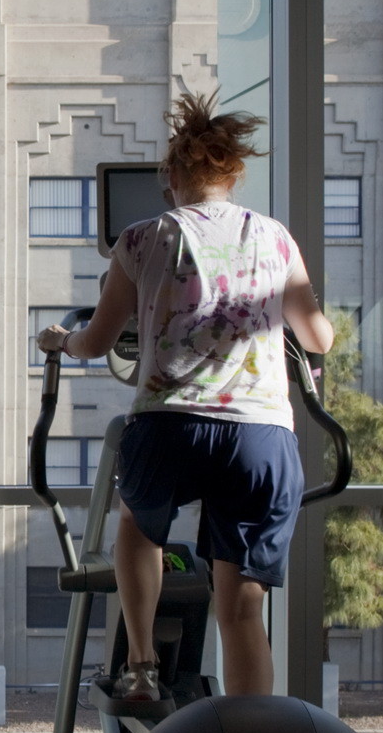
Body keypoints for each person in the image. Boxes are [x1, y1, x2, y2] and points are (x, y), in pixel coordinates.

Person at [34, 92, 335, 700]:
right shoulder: (275, 238)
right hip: (261, 436)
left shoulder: (143, 238)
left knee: (139, 531)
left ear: (171, 176)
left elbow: (97, 340)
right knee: (242, 613)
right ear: (234, 173)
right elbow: (318, 336)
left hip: (170, 425)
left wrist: (61, 342)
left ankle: (141, 667)